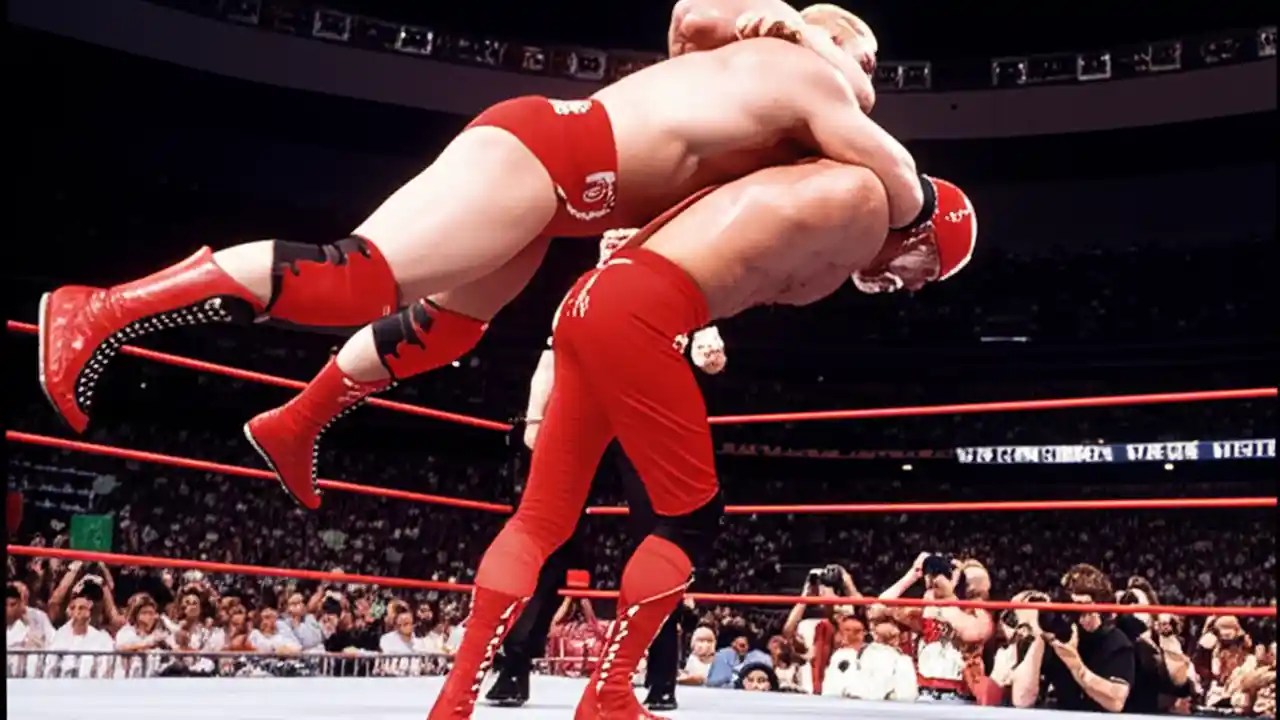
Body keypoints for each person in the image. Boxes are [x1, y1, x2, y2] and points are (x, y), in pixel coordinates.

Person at [36, 6, 932, 514]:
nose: (875, 80)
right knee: (355, 275)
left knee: (449, 328)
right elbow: (900, 183)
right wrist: (911, 235)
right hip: (548, 160)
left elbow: (682, 27)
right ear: (839, 41)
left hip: (560, 192)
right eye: (871, 58)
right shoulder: (809, 72)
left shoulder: (755, 82)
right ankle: (99, 308)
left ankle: (297, 422)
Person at [425, 157, 976, 719]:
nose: (913, 284)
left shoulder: (813, 197)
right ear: (921, 231)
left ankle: (453, 701)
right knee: (692, 517)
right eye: (928, 267)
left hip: (591, 297)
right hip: (639, 307)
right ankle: (609, 695)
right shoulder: (857, 197)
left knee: (541, 520)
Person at [487, 229, 726, 711]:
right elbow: (550, 359)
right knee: (547, 535)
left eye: (624, 237)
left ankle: (660, 679)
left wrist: (708, 346)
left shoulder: (673, 286)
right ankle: (513, 669)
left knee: (662, 536)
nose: (613, 244)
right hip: (582, 416)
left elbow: (712, 355)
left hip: (646, 420)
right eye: (608, 239)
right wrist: (534, 420)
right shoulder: (583, 292)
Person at [1011, 564, 1136, 713]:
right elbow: (1022, 700)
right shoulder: (1057, 637)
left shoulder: (1115, 642)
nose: (1076, 614)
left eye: (1082, 607)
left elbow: (1115, 702)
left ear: (1099, 608)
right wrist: (1039, 634)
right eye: (1071, 606)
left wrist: (1076, 666)